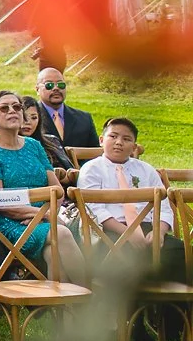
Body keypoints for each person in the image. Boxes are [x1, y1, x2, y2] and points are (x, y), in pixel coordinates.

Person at [0, 89, 84, 277]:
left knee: (53, 253)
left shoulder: (34, 145)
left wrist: (48, 215)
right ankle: (92, 297)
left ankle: (61, 304)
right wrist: (42, 215)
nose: (12, 111)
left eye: (17, 107)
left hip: (45, 220)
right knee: (62, 234)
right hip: (9, 224)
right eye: (5, 108)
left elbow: (56, 189)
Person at [77, 117, 183, 279]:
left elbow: (164, 207)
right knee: (125, 263)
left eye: (126, 139)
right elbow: (92, 209)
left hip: (149, 230)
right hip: (110, 231)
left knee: (180, 253)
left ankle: (173, 303)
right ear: (101, 140)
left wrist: (159, 232)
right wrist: (127, 233)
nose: (119, 142)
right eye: (113, 136)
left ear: (134, 147)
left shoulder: (146, 170)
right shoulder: (92, 169)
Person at [34, 67, 99, 148]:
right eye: (49, 85)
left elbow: (95, 152)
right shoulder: (28, 119)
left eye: (60, 84)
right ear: (37, 90)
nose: (56, 88)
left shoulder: (84, 119)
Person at [19, 96, 74, 171]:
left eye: (34, 117)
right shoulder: (6, 146)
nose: (28, 122)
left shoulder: (52, 141)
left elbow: (70, 169)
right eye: (23, 117)